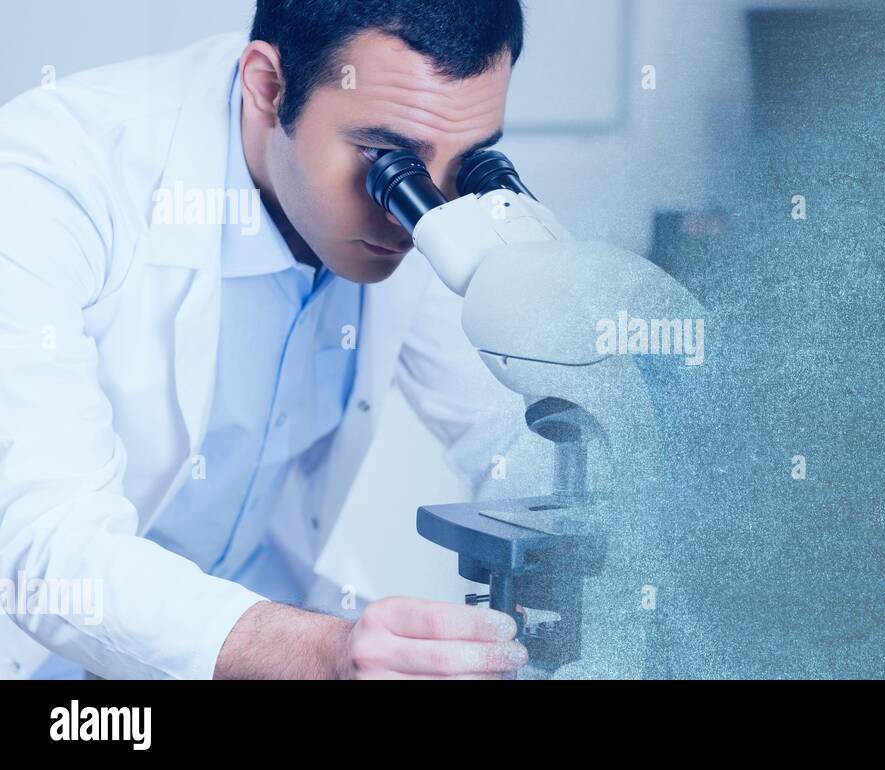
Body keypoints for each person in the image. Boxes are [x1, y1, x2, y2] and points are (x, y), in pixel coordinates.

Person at [0, 0, 543, 679]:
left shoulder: (424, 207)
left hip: (249, 627)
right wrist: (325, 654)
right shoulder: (49, 177)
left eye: (464, 164)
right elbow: (48, 551)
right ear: (268, 87)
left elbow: (513, 436)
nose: (418, 216)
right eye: (384, 158)